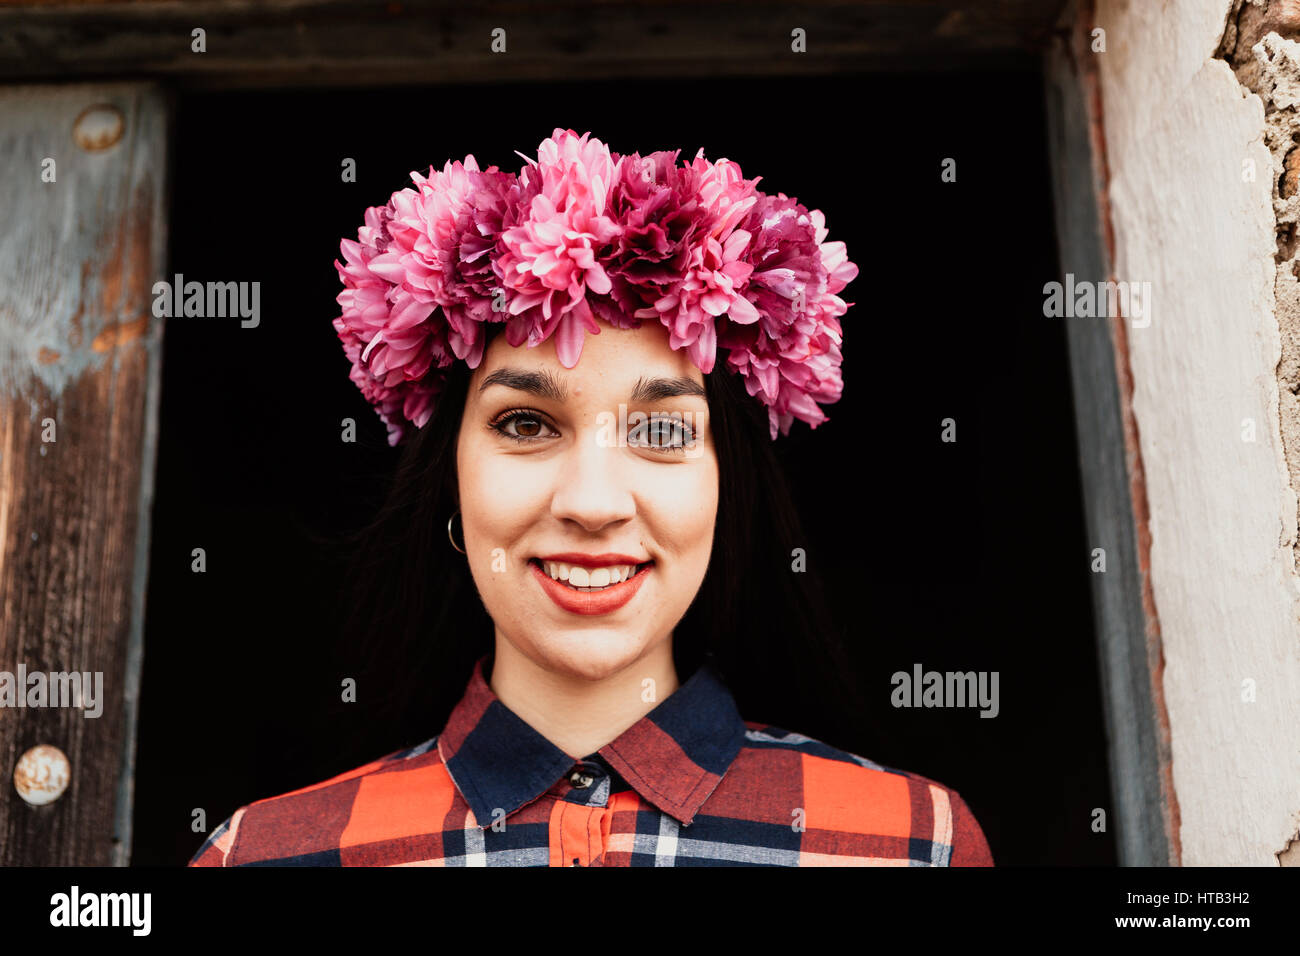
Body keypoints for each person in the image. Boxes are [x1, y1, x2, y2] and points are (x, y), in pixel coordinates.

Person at [189, 129, 993, 867]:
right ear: (449, 475)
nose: (594, 501)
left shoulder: (914, 844)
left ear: (726, 483)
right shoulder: (263, 855)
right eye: (528, 423)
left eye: (665, 431)